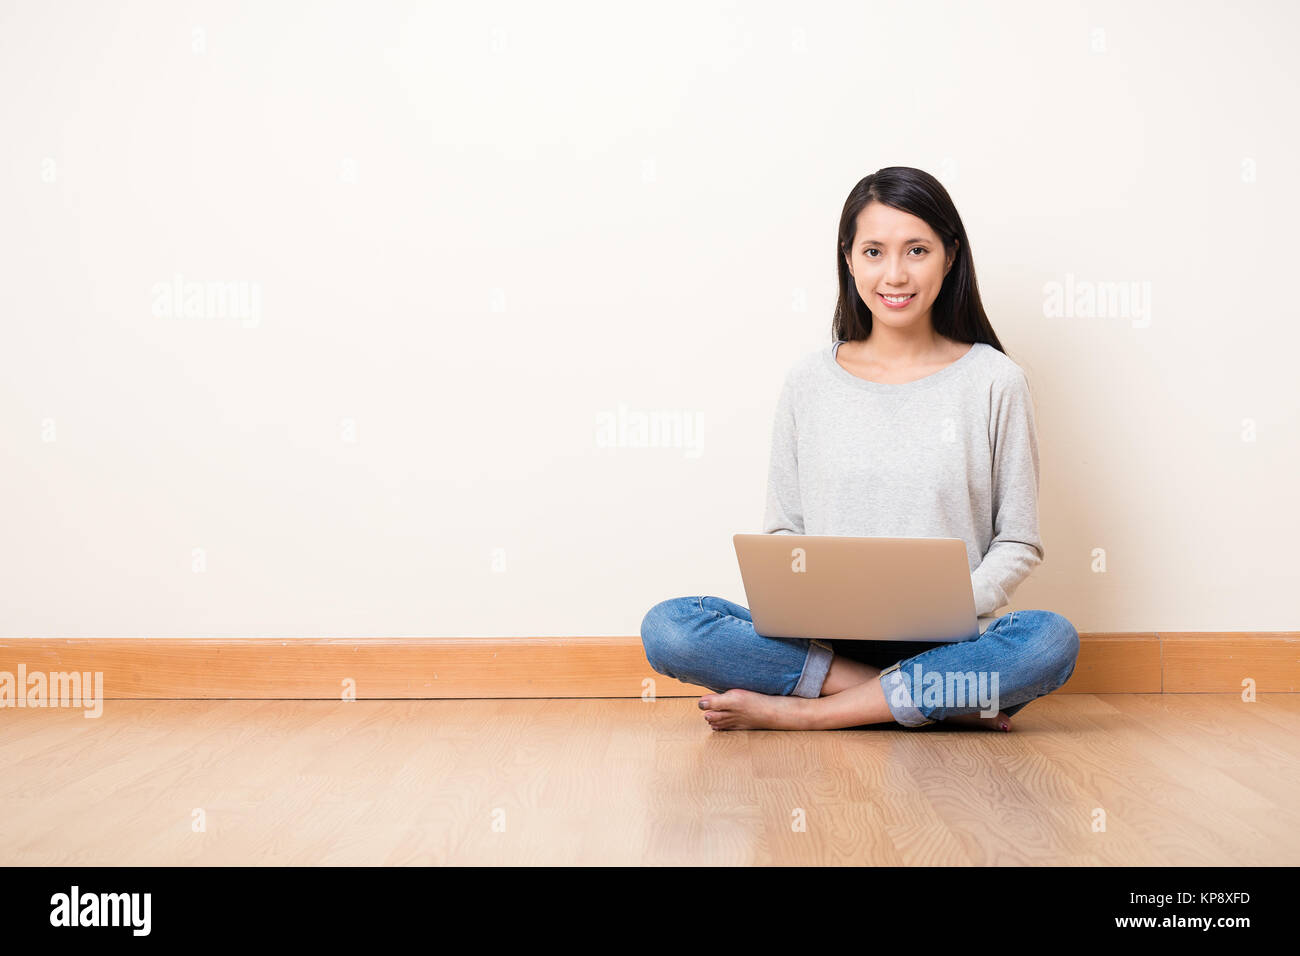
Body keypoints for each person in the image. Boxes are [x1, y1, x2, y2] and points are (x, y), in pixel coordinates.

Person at [640, 166, 1079, 733]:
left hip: (952, 639)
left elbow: (1017, 540)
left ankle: (809, 714)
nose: (894, 274)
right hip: (824, 642)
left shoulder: (996, 382)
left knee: (1049, 642)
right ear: (848, 259)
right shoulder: (808, 382)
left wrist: (953, 602)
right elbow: (784, 532)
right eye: (874, 251)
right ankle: (911, 698)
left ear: (950, 254)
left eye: (916, 250)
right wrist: (800, 594)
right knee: (670, 627)